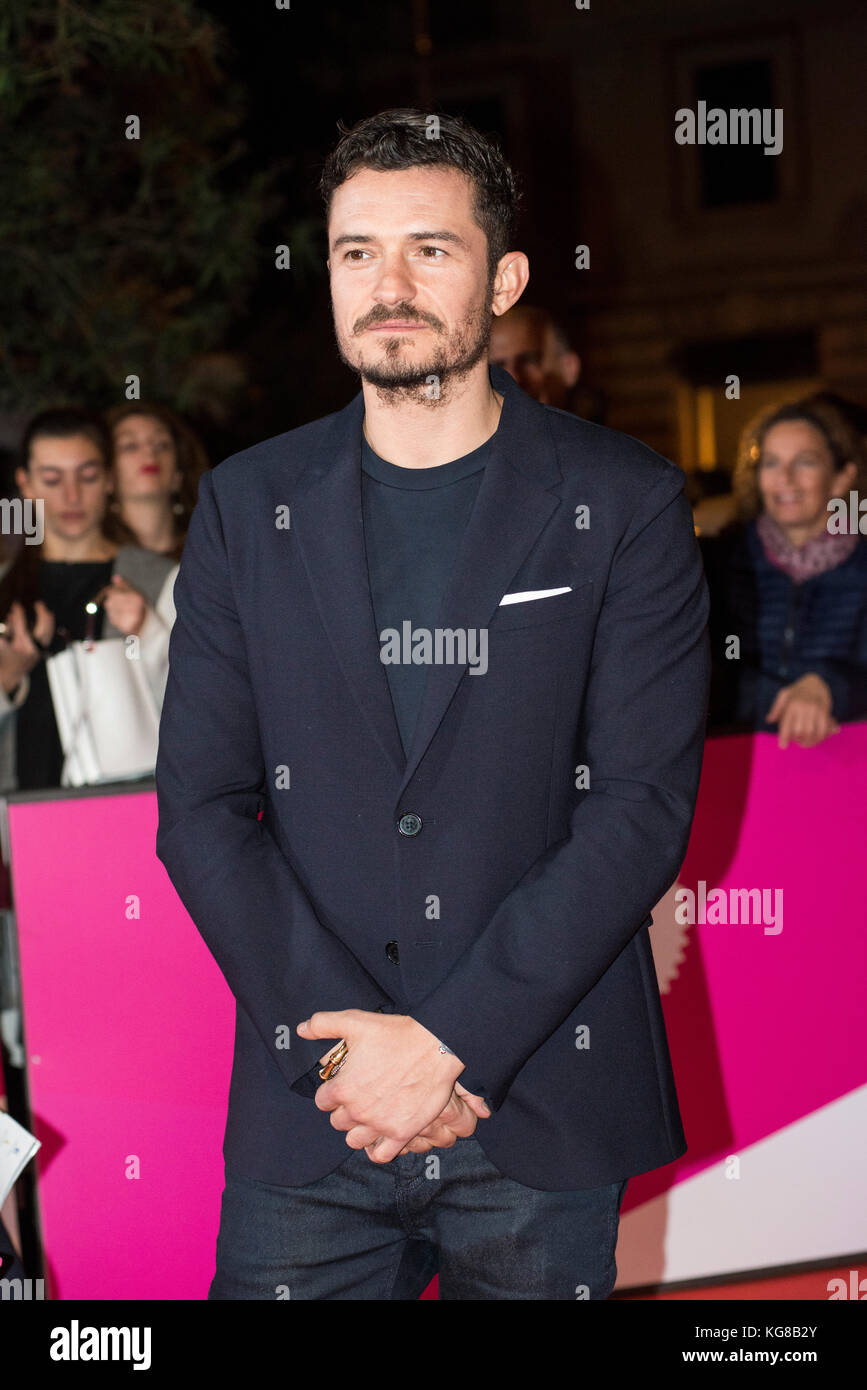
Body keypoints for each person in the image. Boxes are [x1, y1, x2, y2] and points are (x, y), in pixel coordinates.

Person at [156, 108, 710, 1301]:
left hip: (539, 1101)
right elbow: (199, 806)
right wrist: (353, 1051)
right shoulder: (249, 507)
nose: (387, 284)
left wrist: (453, 1043)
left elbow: (640, 807)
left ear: (504, 277)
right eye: (357, 251)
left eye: (430, 249)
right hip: (317, 1112)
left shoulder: (623, 501)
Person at [0, 408, 178, 792]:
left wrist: (148, 633)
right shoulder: (7, 586)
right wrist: (6, 678)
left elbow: (201, 712)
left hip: (127, 809)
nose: (71, 495)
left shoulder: (160, 579)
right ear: (25, 483)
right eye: (52, 478)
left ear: (110, 478)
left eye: (88, 476)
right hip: (21, 816)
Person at [702, 396, 867, 745]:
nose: (785, 478)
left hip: (851, 761)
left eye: (804, 462)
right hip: (742, 762)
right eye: (771, 463)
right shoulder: (719, 564)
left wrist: (830, 686)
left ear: (841, 478)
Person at [106, 402, 209, 560]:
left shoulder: (213, 552)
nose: (149, 451)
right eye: (130, 446)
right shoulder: (93, 558)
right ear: (106, 475)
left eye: (161, 445)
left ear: (178, 474)